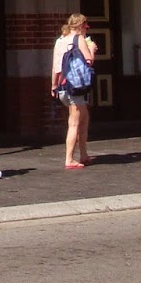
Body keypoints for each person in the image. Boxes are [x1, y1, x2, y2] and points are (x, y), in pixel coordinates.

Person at [52, 12, 97, 169]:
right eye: (85, 25)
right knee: (74, 123)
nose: (87, 28)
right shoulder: (79, 39)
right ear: (80, 25)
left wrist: (53, 86)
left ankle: (83, 154)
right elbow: (89, 61)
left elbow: (56, 66)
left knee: (83, 120)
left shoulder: (59, 41)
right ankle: (69, 159)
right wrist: (92, 49)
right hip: (76, 87)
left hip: (63, 86)